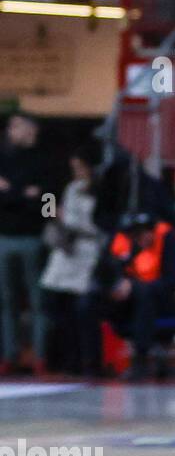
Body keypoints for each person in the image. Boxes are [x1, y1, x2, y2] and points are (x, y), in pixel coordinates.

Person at [96, 211, 175, 382]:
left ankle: (140, 361)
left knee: (144, 294)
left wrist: (133, 287)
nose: (138, 239)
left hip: (172, 304)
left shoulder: (168, 240)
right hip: (140, 301)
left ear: (152, 231)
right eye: (135, 235)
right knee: (93, 297)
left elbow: (171, 283)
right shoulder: (132, 246)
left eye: (141, 234)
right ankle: (92, 364)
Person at [39, 144, 104, 376]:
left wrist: (69, 220)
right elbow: (49, 211)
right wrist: (55, 215)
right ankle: (66, 359)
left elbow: (96, 225)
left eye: (80, 168)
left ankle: (88, 361)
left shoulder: (103, 191)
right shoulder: (71, 188)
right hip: (66, 251)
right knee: (55, 304)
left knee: (82, 310)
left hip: (88, 252)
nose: (77, 173)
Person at [0, 112, 52, 375]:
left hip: (34, 238)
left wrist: (11, 193)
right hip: (4, 237)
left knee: (37, 301)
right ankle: (8, 355)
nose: (14, 131)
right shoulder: (2, 158)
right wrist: (25, 195)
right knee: (5, 301)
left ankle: (39, 356)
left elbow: (49, 202)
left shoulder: (43, 161)